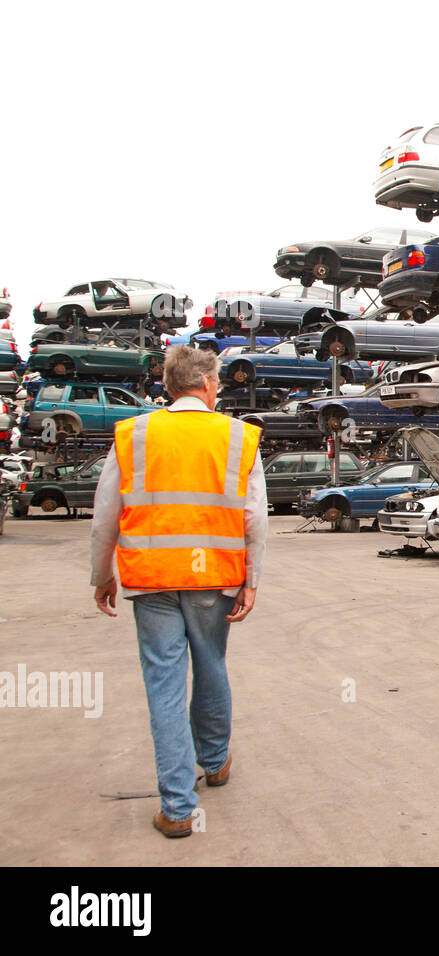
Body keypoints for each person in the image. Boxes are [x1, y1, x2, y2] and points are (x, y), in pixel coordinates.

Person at [90, 345, 267, 838]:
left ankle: (177, 808)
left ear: (169, 386)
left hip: (151, 578)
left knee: (164, 686)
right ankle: (214, 762)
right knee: (211, 667)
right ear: (209, 384)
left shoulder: (134, 434)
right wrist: (251, 580)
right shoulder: (237, 437)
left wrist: (101, 573)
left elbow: (106, 513)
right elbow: (255, 520)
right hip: (214, 576)